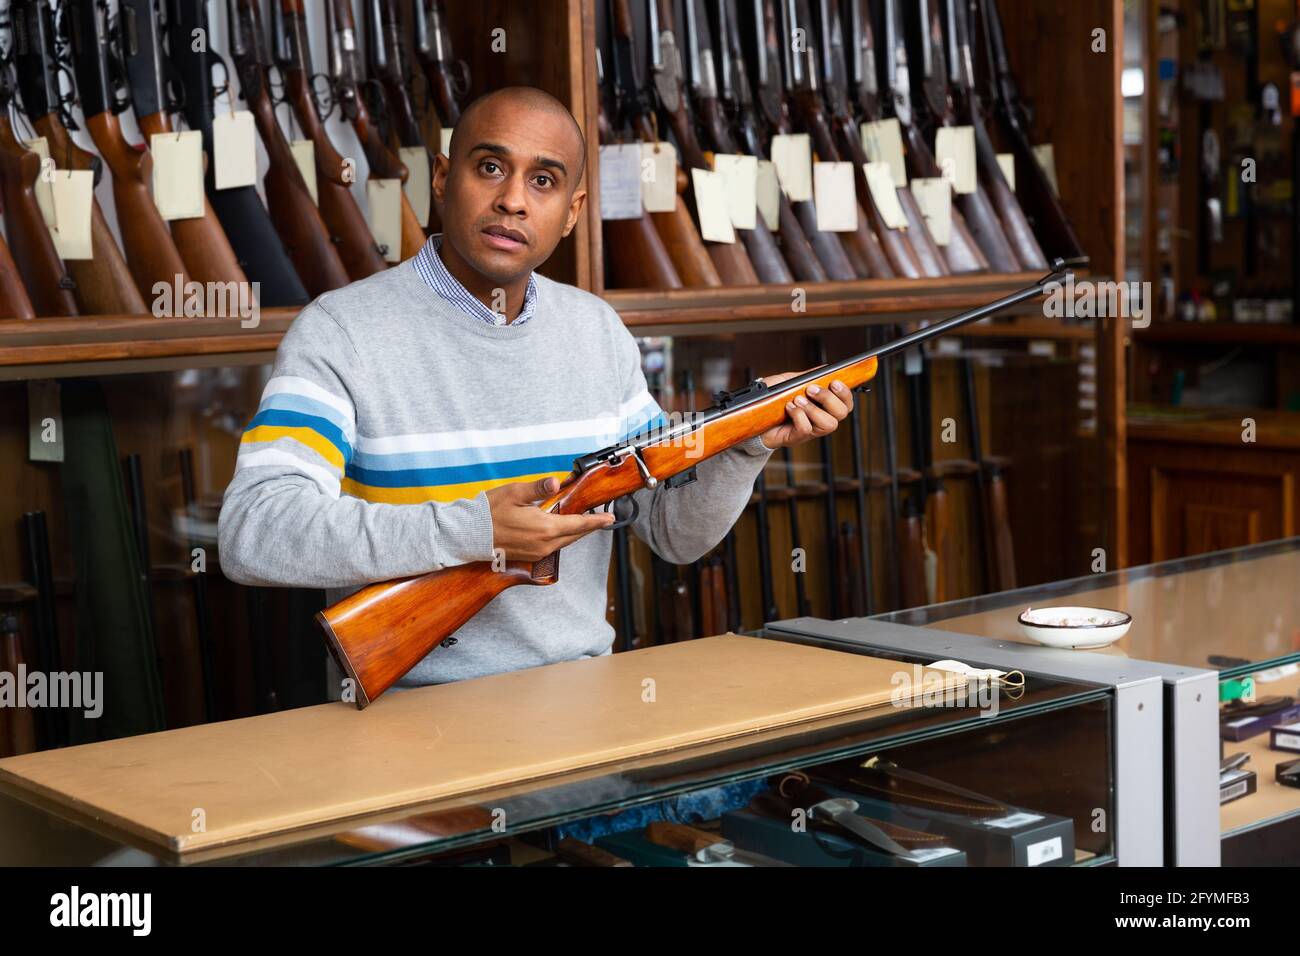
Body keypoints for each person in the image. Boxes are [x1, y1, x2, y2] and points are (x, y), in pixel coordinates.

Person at [218, 86, 853, 693]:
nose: (514, 200)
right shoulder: (341, 331)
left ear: (571, 213)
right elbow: (254, 535)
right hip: (408, 718)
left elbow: (672, 532)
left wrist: (746, 441)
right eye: (490, 167)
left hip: (582, 705)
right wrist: (473, 530)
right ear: (442, 179)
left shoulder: (596, 330)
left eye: (544, 180)